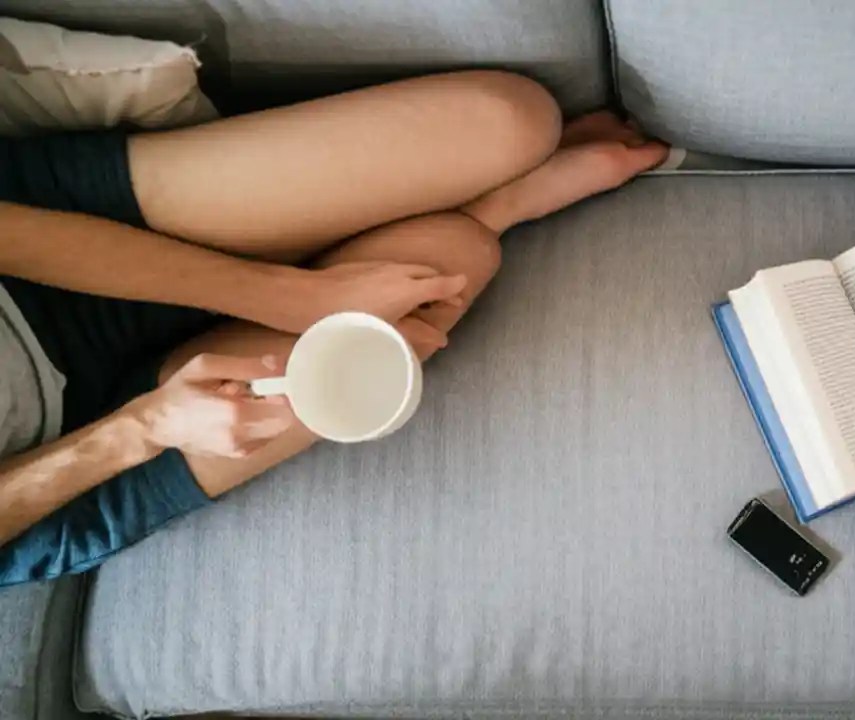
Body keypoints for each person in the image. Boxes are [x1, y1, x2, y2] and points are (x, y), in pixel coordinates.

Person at [0, 71, 668, 586]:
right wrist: (142, 428)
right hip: (71, 462)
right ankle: (496, 207)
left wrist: (290, 297)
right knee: (453, 262)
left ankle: (438, 209)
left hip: (36, 245)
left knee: (512, 120)